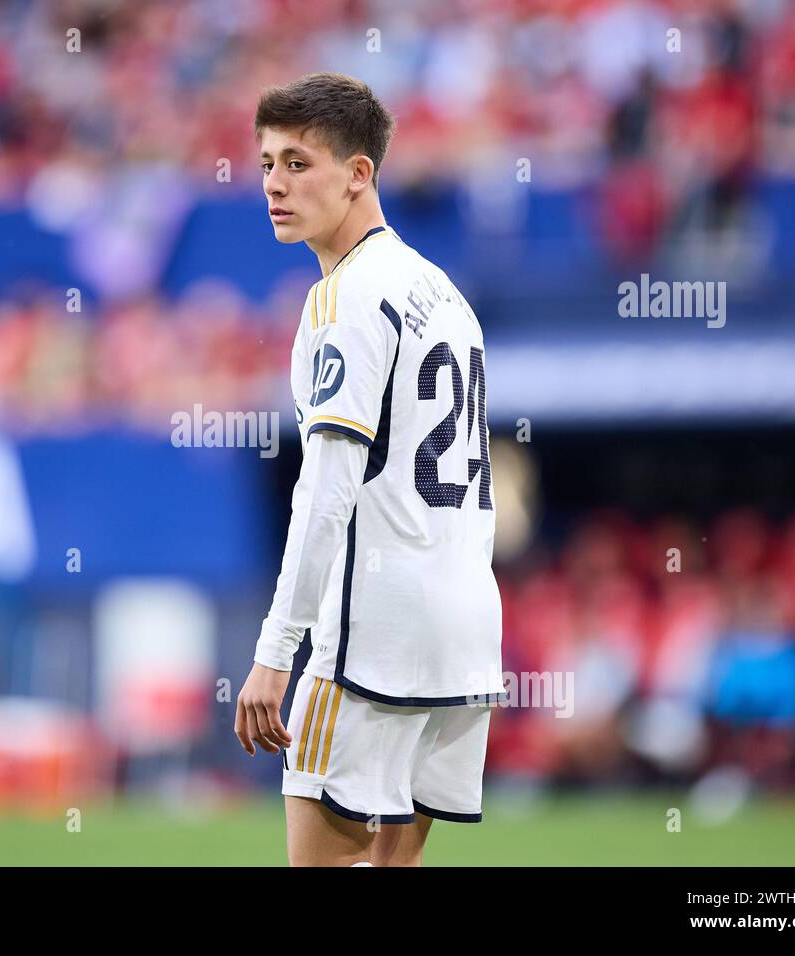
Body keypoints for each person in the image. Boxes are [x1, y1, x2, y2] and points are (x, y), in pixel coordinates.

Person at [234, 72, 505, 866]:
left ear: (360, 173)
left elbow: (326, 490)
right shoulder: (443, 292)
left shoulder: (343, 300)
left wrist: (274, 652)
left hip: (373, 635)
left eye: (298, 163)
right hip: (464, 629)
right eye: (266, 165)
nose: (275, 186)